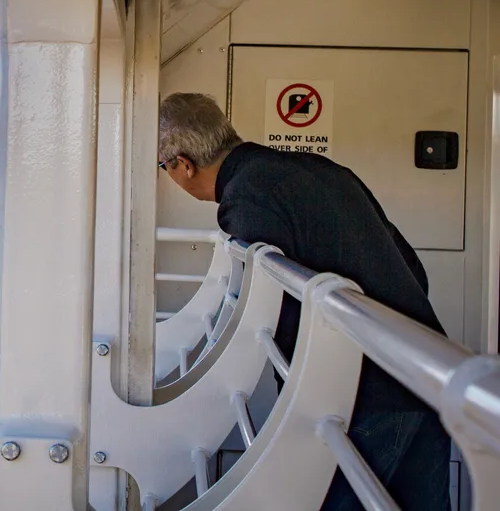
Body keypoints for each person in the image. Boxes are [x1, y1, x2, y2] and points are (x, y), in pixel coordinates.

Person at [157, 92, 451, 510]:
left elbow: (256, 312)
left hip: (360, 396)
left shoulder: (245, 197)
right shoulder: (321, 169)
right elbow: (411, 268)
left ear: (182, 165)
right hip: (425, 371)